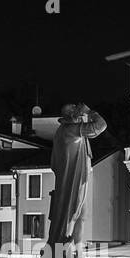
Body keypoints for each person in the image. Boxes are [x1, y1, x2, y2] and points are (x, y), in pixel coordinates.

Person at [48, 102, 106, 247]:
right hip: (72, 180)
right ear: (73, 116)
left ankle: (78, 250)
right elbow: (100, 126)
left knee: (81, 215)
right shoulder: (70, 130)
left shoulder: (71, 130)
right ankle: (63, 246)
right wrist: (91, 112)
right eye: (76, 110)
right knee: (71, 213)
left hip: (79, 178)